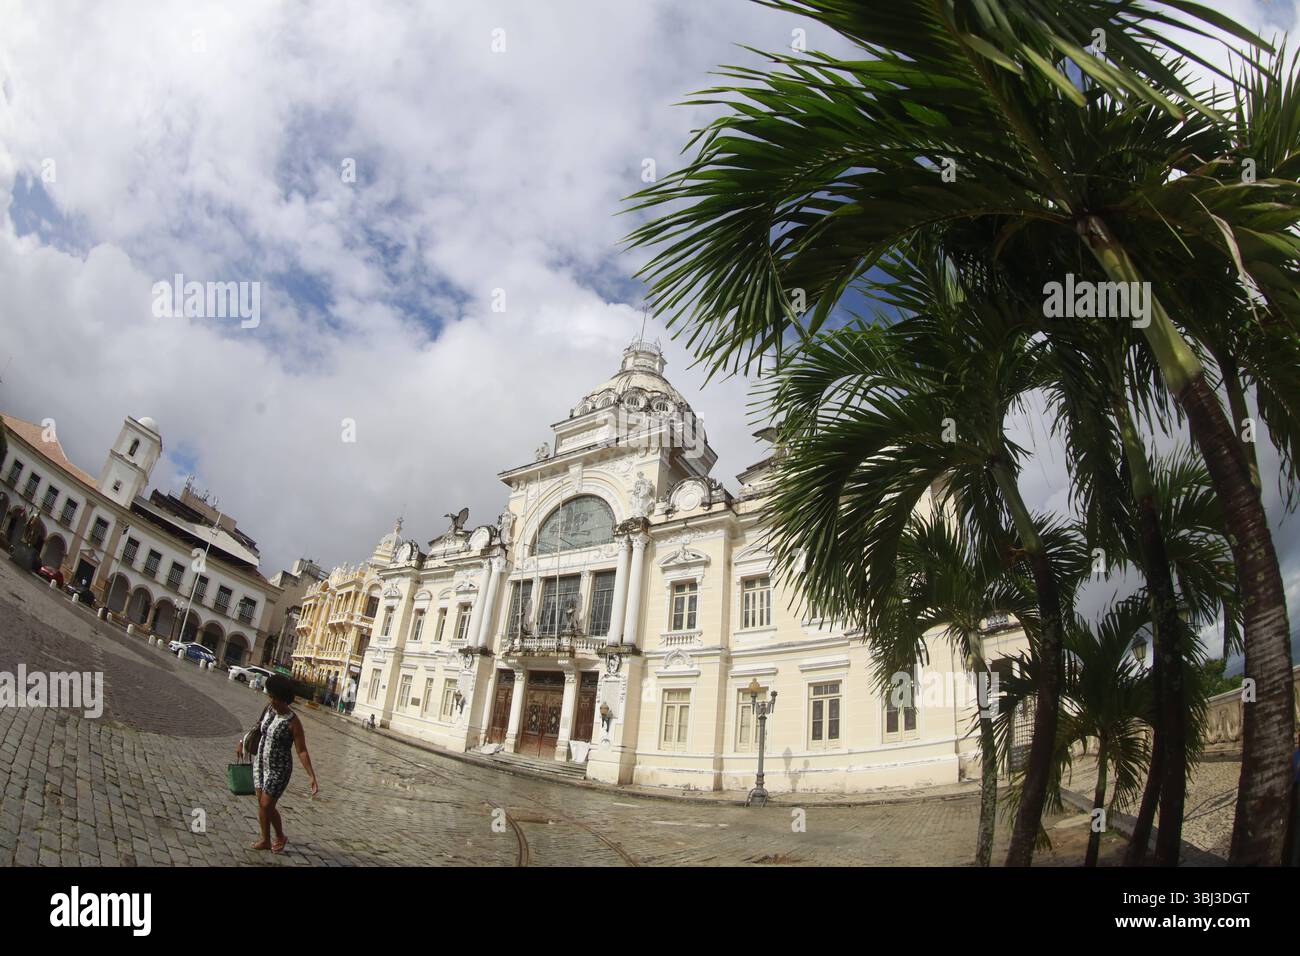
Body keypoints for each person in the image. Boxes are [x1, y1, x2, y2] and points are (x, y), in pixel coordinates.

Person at [235, 673, 319, 854]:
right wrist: (243, 742)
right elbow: (257, 728)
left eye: (275, 698)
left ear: (284, 700)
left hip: (279, 769)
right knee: (263, 803)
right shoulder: (268, 709)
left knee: (266, 804)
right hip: (261, 763)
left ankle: (279, 836)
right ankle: (266, 839)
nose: (272, 701)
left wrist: (311, 776)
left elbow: (301, 750)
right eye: (271, 697)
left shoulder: (293, 722)